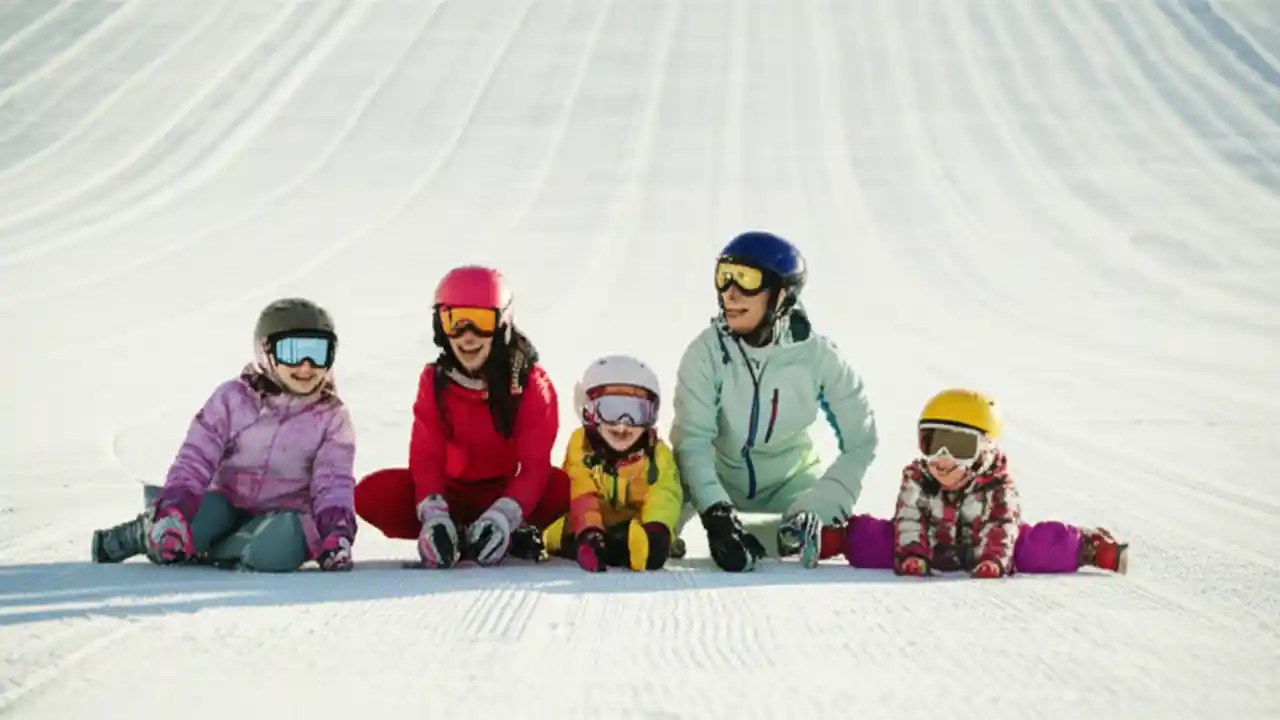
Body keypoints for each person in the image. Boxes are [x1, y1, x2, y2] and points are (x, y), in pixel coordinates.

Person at [90, 298, 357, 572]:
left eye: (318, 352)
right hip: (223, 504)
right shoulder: (235, 399)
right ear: (266, 352)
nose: (306, 366)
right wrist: (175, 507)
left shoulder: (331, 417)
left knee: (279, 549)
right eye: (292, 352)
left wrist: (336, 533)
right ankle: (152, 528)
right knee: (191, 526)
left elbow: (333, 481)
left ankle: (212, 548)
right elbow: (196, 458)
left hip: (280, 516)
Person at [672, 231, 878, 572]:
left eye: (747, 280)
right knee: (656, 511)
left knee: (817, 537)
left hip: (791, 483)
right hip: (715, 476)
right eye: (724, 277)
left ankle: (787, 532)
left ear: (782, 295)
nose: (730, 293)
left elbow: (862, 439)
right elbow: (692, 443)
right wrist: (716, 513)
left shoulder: (818, 358)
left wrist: (819, 506)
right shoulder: (705, 353)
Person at [354, 265, 570, 568]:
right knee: (371, 493)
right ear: (440, 326)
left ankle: (495, 532)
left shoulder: (530, 383)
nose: (468, 337)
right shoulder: (435, 380)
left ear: (503, 324)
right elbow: (426, 457)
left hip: (504, 491)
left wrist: (504, 514)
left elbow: (534, 467)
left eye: (481, 322)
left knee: (560, 486)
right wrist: (434, 514)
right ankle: (450, 534)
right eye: (455, 321)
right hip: (453, 494)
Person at [841, 389, 1129, 577]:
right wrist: (912, 554)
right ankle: (830, 539)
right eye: (933, 443)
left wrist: (993, 559)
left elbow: (1001, 525)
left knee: (1033, 548)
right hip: (932, 545)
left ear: (985, 450)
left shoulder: (998, 486)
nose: (942, 458)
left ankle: (1092, 548)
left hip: (984, 545)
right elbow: (909, 520)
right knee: (876, 537)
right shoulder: (918, 478)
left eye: (958, 446)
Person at [542, 355, 682, 572]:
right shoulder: (582, 447)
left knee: (645, 544)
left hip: (636, 524)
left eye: (637, 412)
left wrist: (658, 529)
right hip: (584, 524)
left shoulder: (657, 455)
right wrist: (589, 531)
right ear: (588, 411)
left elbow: (665, 495)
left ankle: (635, 544)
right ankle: (590, 546)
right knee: (557, 533)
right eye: (610, 410)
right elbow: (582, 492)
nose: (623, 425)